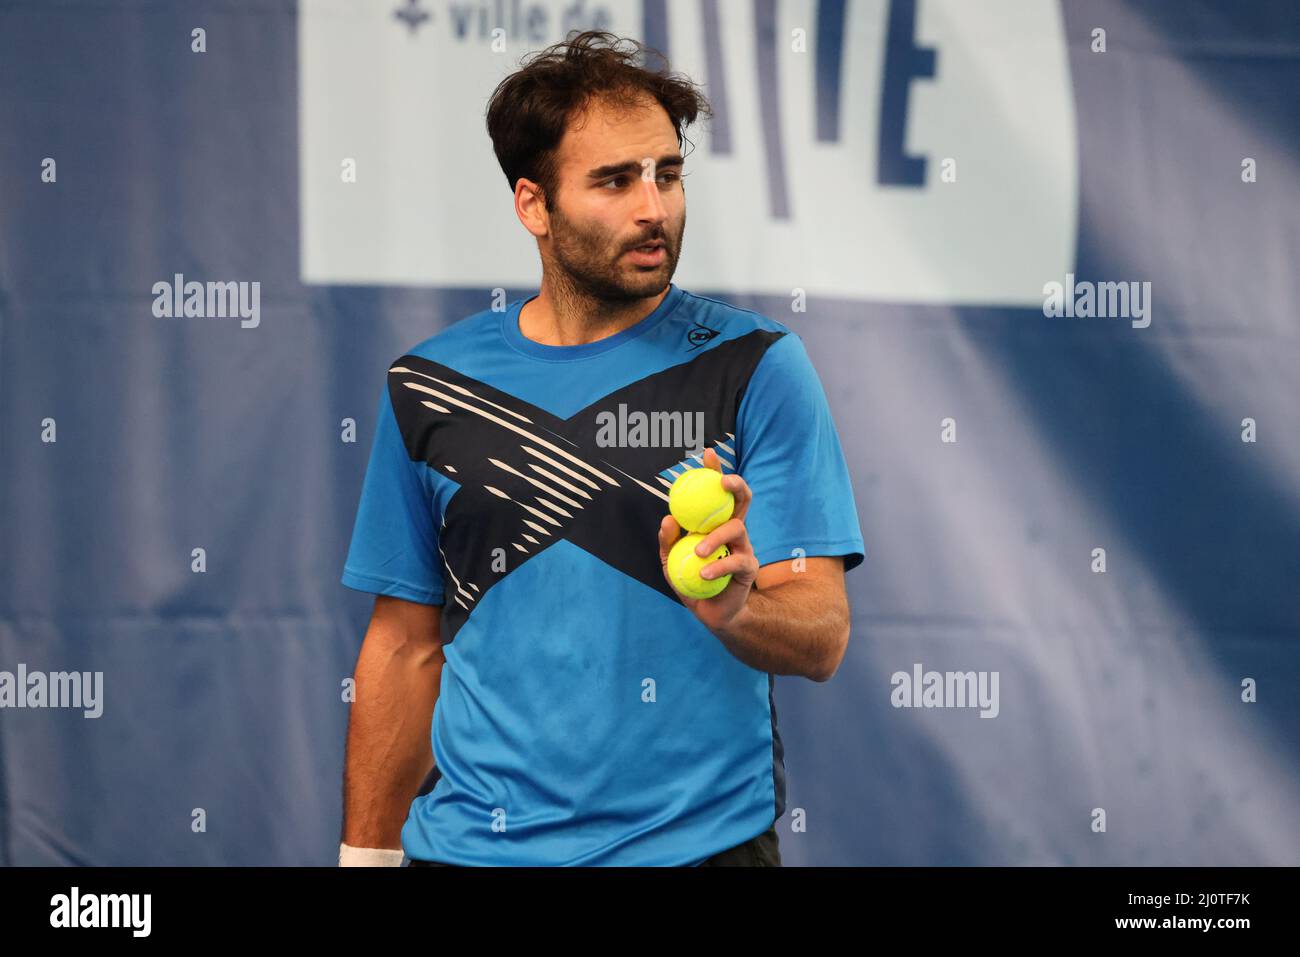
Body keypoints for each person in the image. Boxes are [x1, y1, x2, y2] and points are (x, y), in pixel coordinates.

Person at [338, 30, 864, 867]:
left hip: (700, 851)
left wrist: (738, 609)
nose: (653, 207)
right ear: (532, 205)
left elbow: (823, 631)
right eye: (614, 181)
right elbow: (403, 645)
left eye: (668, 172)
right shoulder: (429, 386)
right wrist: (363, 858)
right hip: (471, 850)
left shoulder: (756, 366)